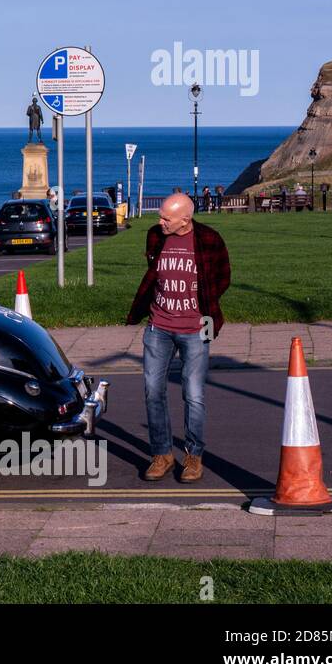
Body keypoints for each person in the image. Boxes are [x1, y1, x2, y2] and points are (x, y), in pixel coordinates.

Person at [125, 193, 231, 484]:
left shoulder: (209, 239)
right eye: (160, 216)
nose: (159, 222)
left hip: (195, 330)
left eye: (166, 218)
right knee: (152, 390)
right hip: (158, 327)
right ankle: (161, 455)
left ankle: (193, 457)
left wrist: (205, 305)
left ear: (185, 219)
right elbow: (152, 271)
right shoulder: (155, 236)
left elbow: (223, 277)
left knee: (194, 395)